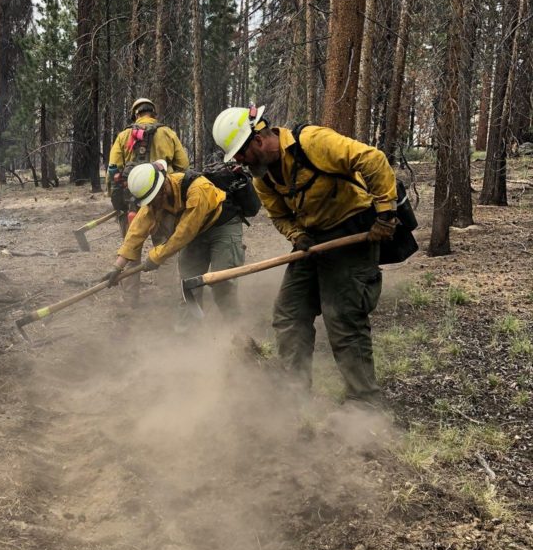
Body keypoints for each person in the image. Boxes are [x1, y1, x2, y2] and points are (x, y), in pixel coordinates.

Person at [212, 106, 397, 404]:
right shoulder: (264, 178)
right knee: (289, 314)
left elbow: (372, 159)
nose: (239, 162)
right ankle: (293, 395)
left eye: (240, 154)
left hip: (352, 233)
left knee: (343, 318)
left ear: (257, 141)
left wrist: (386, 214)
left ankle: (364, 403)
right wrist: (298, 237)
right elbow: (280, 216)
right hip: (314, 243)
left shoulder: (313, 142)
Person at [104, 160, 245, 320]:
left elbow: (184, 233)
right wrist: (117, 267)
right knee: (188, 285)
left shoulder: (197, 189)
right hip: (196, 233)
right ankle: (188, 333)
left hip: (222, 225)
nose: (151, 205)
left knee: (221, 282)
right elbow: (135, 233)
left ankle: (234, 327)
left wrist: (156, 257)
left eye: (152, 199)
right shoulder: (153, 200)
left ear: (163, 187)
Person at [107, 99, 189, 231]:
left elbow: (113, 170)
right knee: (164, 243)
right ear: (153, 114)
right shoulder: (168, 133)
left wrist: (117, 200)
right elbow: (183, 165)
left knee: (131, 243)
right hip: (163, 195)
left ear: (136, 115)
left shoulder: (123, 136)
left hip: (131, 196)